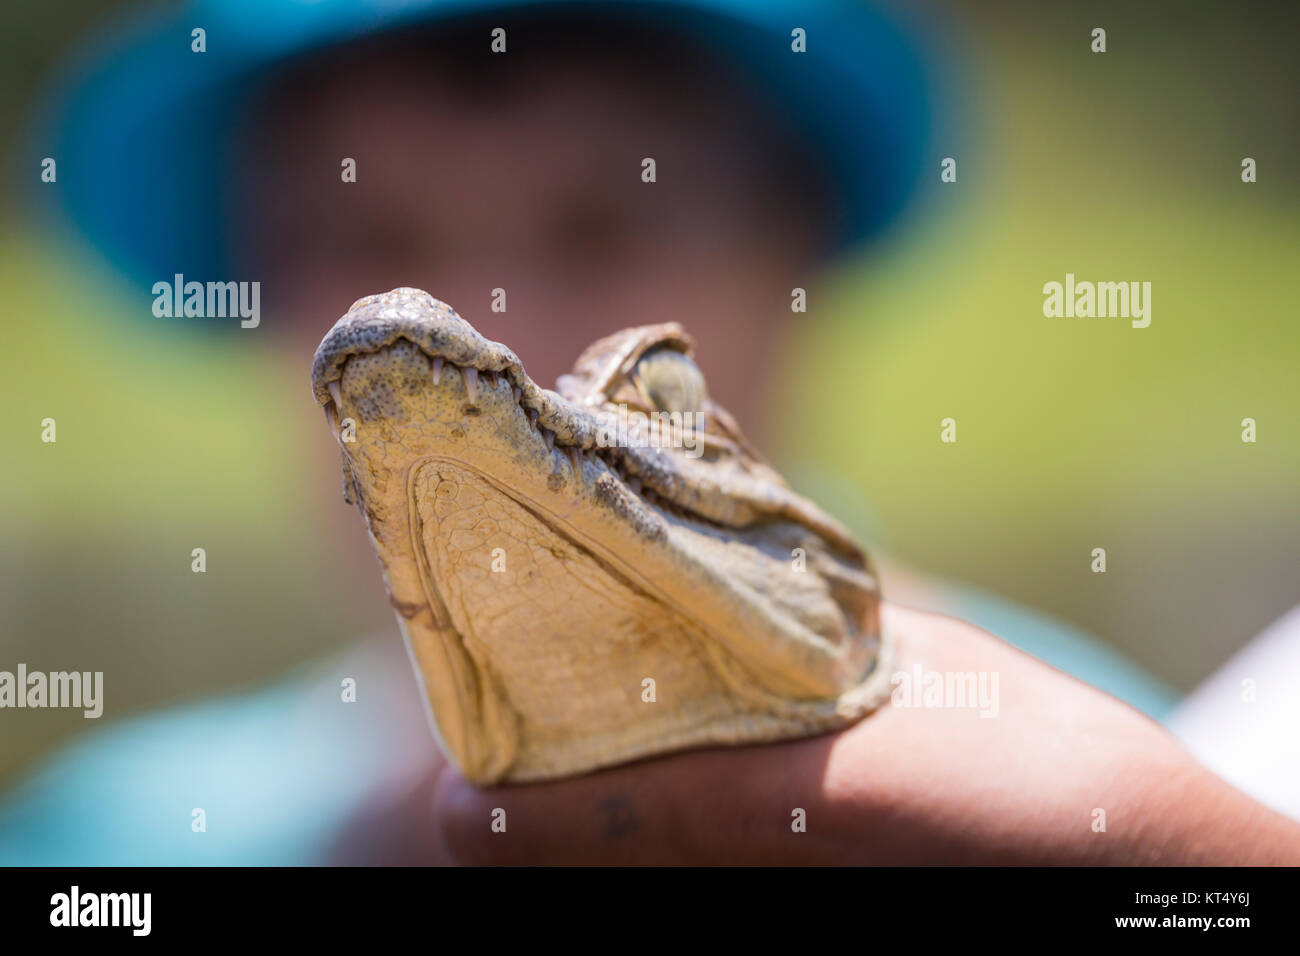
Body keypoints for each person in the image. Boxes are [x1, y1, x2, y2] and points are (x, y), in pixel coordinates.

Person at [5, 0, 1294, 865]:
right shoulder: (111, 844)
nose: (494, 334)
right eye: (372, 243)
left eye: (604, 231)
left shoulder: (1162, 784)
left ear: (797, 265)